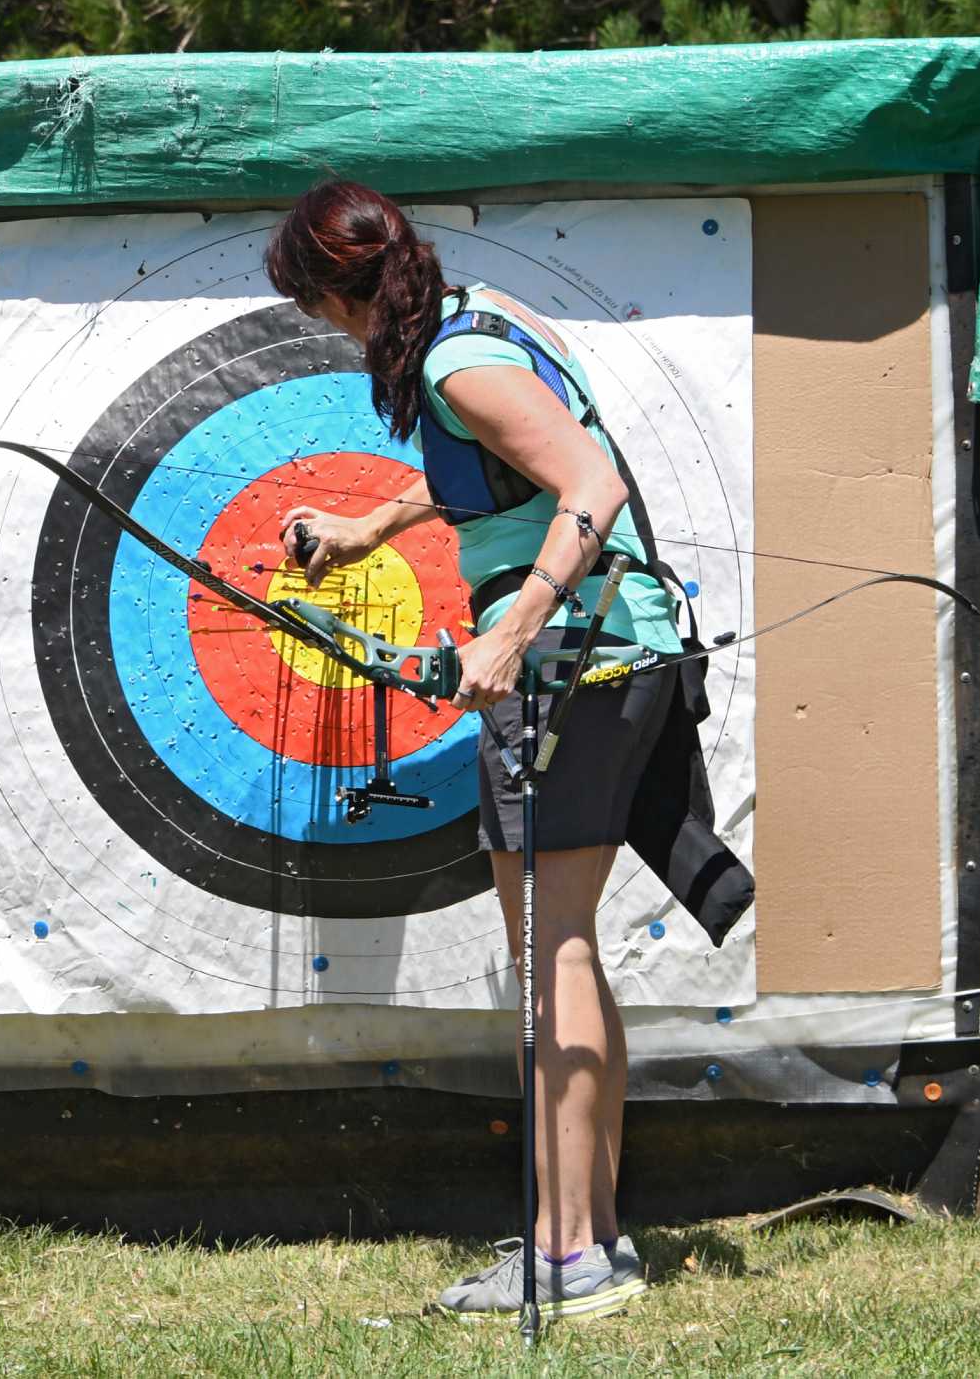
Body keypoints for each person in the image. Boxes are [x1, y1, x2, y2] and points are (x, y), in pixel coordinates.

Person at [267, 180, 685, 1322]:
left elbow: (589, 483)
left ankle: (568, 1254)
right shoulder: (470, 321)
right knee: (559, 946)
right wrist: (363, 527)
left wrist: (510, 625)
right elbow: (485, 459)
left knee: (547, 951)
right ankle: (584, 1235)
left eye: (312, 305)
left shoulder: (455, 359)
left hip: (577, 662)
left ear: (338, 289)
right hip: (599, 659)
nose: (317, 325)